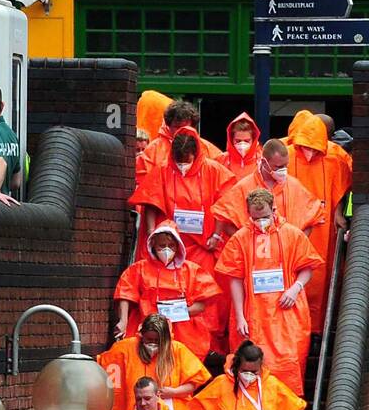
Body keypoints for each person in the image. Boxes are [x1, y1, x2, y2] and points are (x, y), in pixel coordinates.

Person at [215, 188, 322, 395]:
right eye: (255, 218)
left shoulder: (292, 233)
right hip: (254, 312)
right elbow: (235, 279)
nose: (261, 221)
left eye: (265, 216)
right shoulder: (240, 238)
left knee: (289, 364)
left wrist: (295, 288)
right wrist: (239, 315)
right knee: (253, 364)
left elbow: (307, 267)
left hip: (287, 312)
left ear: (274, 210)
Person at [129, 128, 236, 276]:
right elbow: (150, 203)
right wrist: (151, 235)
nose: (183, 165)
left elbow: (224, 206)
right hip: (169, 244)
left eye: (187, 161)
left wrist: (217, 236)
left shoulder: (214, 171)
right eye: (179, 162)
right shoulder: (162, 170)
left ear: (195, 154)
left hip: (203, 247)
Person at [113, 220, 222, 361]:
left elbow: (202, 304)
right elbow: (125, 293)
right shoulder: (140, 268)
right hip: (147, 326)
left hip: (183, 331)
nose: (166, 249)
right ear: (153, 245)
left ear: (178, 247)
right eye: (162, 245)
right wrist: (123, 321)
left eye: (171, 246)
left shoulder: (192, 270)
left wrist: (175, 313)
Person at [285, 110, 352, 333]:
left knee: (323, 278)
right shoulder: (285, 155)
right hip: (293, 227)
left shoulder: (336, 157)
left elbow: (344, 190)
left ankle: (320, 330)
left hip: (324, 230)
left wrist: (338, 213)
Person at [98, 312, 209, 410]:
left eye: (157, 341)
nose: (153, 344)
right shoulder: (123, 349)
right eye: (149, 339)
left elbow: (194, 382)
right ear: (141, 335)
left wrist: (173, 392)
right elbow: (108, 381)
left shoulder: (177, 350)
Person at [213, 138, 325, 236]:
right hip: (254, 257)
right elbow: (225, 220)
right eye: (278, 166)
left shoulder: (294, 186)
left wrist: (297, 246)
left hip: (286, 256)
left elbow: (312, 219)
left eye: (286, 166)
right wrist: (246, 244)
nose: (283, 170)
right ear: (264, 162)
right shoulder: (244, 186)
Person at [136, 99, 225, 181]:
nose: (181, 130)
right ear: (168, 126)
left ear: (193, 126)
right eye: (177, 127)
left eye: (185, 126)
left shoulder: (208, 149)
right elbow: (143, 183)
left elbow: (222, 179)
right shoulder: (153, 150)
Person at [224, 111, 263, 182]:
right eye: (238, 141)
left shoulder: (262, 161)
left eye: (247, 141)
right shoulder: (221, 160)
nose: (242, 144)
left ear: (254, 140)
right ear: (231, 139)